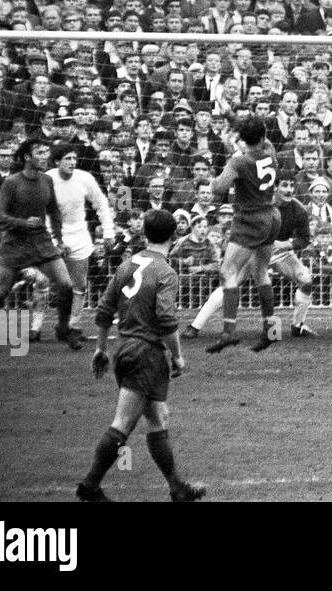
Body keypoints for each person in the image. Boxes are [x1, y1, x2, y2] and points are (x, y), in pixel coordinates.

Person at [76, 208, 204, 502]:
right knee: (123, 424)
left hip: (124, 350)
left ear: (144, 234)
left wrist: (101, 349)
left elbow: (104, 309)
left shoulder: (126, 265)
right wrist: (178, 356)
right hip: (146, 353)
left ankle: (177, 488)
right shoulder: (166, 272)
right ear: (174, 235)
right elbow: (167, 321)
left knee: (158, 417)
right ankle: (89, 486)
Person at [185, 176, 316, 342]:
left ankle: (298, 326)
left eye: (292, 185)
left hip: (279, 251)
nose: (289, 189)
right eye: (284, 185)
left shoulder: (299, 210)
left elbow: (304, 239)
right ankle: (195, 326)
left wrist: (286, 244)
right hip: (253, 248)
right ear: (274, 188)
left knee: (306, 280)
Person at [0, 138, 79, 349]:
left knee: (66, 285)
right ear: (27, 157)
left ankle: (63, 329)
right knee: (0, 293)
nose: (45, 156)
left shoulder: (47, 181)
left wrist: (59, 240)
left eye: (47, 152)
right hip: (14, 245)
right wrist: (23, 223)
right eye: (40, 152)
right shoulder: (12, 183)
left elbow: (53, 212)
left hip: (41, 243)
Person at [205, 116, 282, 353]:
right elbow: (259, 138)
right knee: (261, 272)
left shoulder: (238, 162)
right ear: (262, 136)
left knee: (228, 272)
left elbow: (218, 188)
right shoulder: (270, 151)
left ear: (241, 138)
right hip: (271, 216)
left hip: (249, 220)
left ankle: (228, 333)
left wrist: (214, 177)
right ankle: (271, 332)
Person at [47, 143, 115, 343]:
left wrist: (109, 231)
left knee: (79, 285)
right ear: (57, 161)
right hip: (52, 234)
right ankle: (36, 326)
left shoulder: (85, 178)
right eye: (67, 159)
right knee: (47, 282)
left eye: (74, 159)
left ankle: (73, 326)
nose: (71, 162)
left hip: (78, 235)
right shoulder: (47, 179)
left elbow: (101, 203)